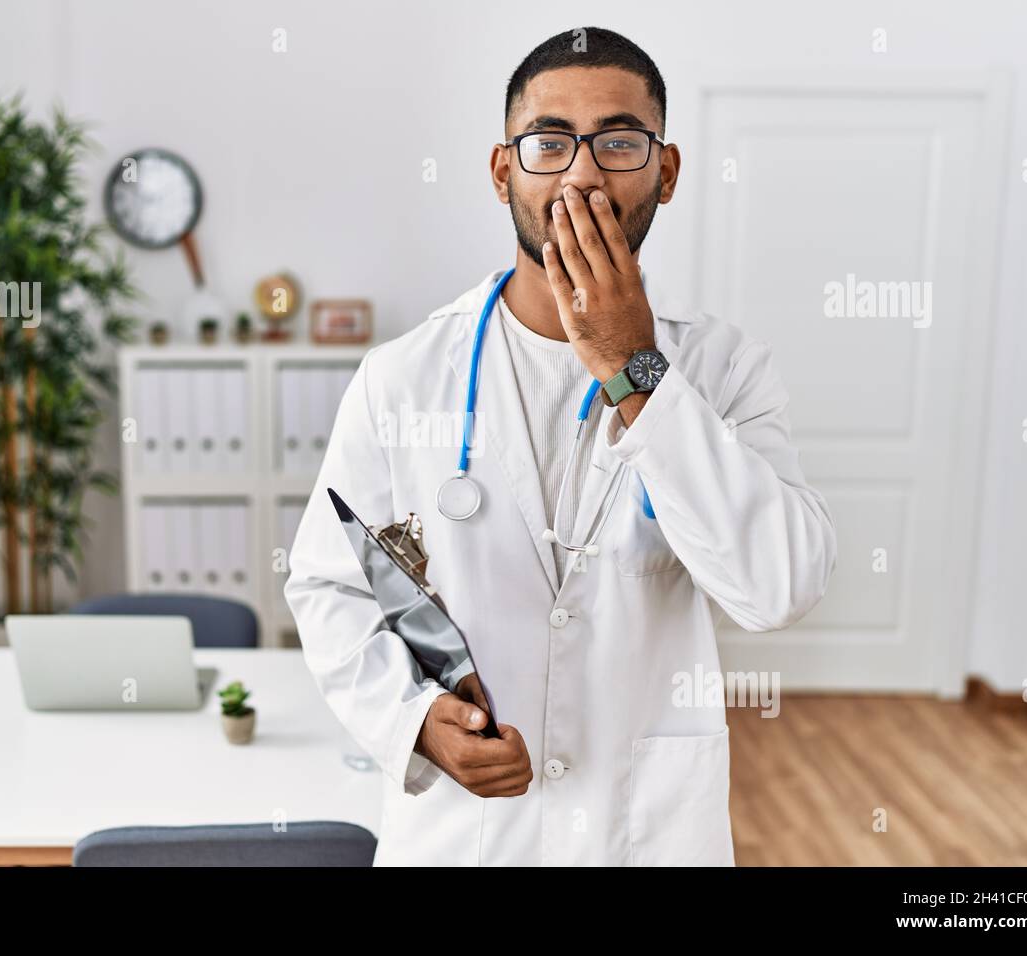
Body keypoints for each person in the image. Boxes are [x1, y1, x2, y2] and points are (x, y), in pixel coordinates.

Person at [284, 26, 836, 866]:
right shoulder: (402, 376)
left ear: (666, 171)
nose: (582, 174)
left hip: (644, 832)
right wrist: (414, 722)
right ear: (502, 170)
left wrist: (635, 369)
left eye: (618, 142)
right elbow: (329, 584)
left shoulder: (724, 370)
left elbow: (780, 586)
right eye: (550, 142)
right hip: (467, 838)